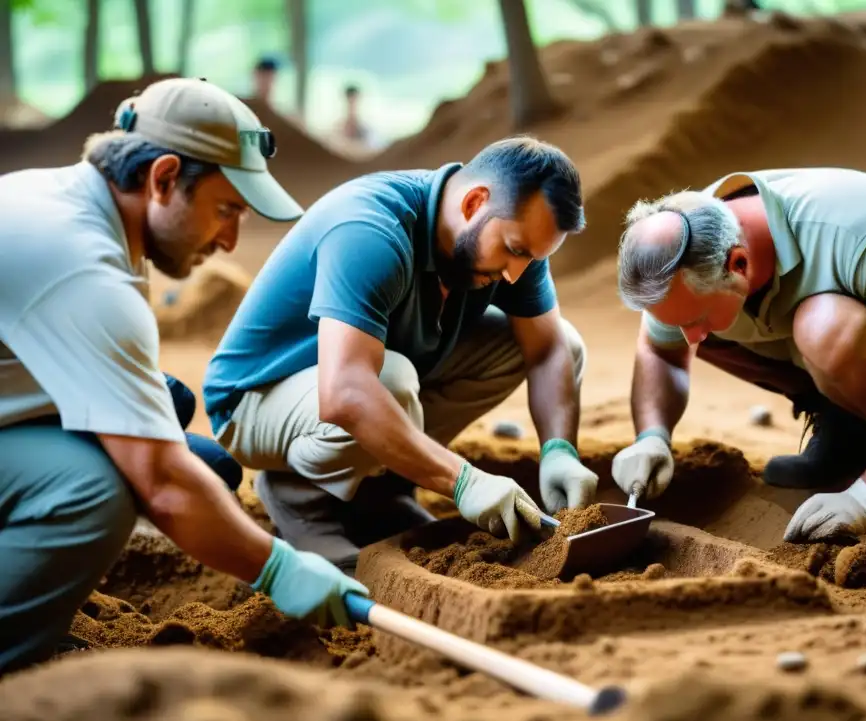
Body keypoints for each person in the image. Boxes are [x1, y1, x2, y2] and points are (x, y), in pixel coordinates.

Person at [0, 76, 369, 674]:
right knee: (93, 490)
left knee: (178, 426)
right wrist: (278, 567)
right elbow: (166, 488)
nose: (229, 241)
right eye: (226, 210)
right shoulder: (87, 272)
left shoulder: (71, 202)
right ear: (164, 178)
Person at [202, 136, 597, 573]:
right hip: (257, 401)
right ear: (474, 203)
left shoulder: (512, 241)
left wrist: (559, 450)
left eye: (532, 257)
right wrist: (462, 481)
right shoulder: (370, 230)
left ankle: (380, 493)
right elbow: (345, 393)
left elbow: (547, 350)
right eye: (515, 249)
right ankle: (301, 496)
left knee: (564, 340)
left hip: (367, 373)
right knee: (389, 380)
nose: (515, 272)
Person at [612, 167, 866, 542]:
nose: (691, 337)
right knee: (778, 330)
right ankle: (846, 431)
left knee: (824, 328)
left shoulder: (857, 232)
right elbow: (660, 350)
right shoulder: (684, 246)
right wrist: (652, 436)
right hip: (853, 361)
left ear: (738, 264)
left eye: (697, 317)